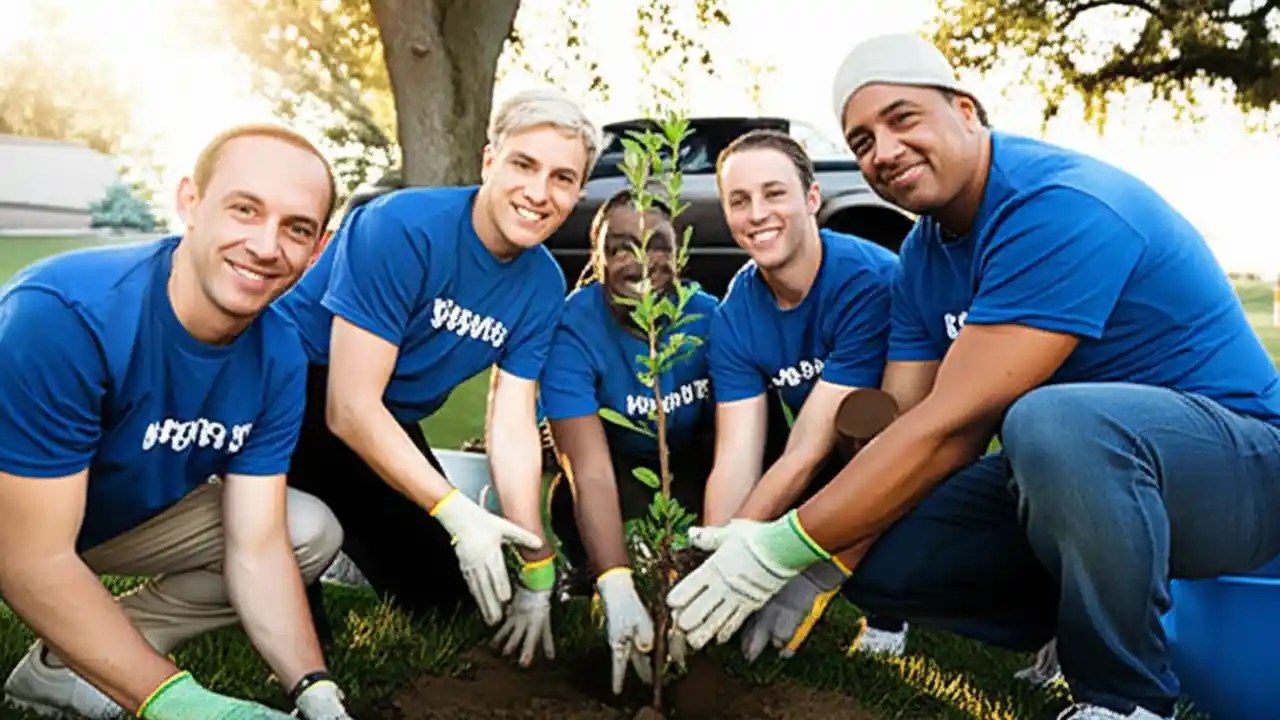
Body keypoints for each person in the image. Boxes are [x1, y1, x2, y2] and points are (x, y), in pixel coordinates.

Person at [667, 32, 1280, 720]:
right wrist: (826, 564)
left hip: (1244, 467)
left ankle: (1126, 699)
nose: (884, 152)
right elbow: (899, 421)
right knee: (882, 545)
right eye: (862, 141)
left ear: (965, 109)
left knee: (1050, 423)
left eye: (902, 120)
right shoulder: (924, 257)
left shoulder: (1057, 205)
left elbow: (954, 427)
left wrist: (783, 545)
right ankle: (1077, 619)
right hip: (1082, 481)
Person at [0, 124, 351, 719]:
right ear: (190, 203)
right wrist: (182, 704)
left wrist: (313, 690)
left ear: (317, 250)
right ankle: (119, 664)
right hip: (18, 521)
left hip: (96, 521)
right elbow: (26, 556)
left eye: (296, 228)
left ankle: (64, 667)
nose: (267, 246)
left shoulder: (281, 354)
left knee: (306, 531)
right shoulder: (64, 316)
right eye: (245, 209)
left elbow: (257, 544)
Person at [276, 88, 600, 652]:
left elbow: (513, 426)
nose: (539, 192)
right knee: (304, 635)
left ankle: (352, 545)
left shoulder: (544, 285)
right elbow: (347, 408)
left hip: (386, 415)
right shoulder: (401, 227)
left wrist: (537, 561)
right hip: (285, 390)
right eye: (524, 164)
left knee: (446, 604)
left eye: (562, 178)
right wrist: (455, 510)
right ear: (489, 161)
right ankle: (298, 539)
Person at [695, 129, 909, 662]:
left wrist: (745, 555)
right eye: (739, 201)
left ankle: (888, 607)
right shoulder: (734, 316)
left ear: (812, 199)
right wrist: (712, 558)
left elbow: (809, 449)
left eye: (775, 193)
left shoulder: (866, 282)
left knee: (866, 423)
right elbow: (736, 457)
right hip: (822, 439)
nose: (757, 213)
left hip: (909, 442)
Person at [538, 188, 718, 692]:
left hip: (691, 461)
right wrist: (617, 585)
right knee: (568, 496)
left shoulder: (707, 318)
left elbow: (735, 447)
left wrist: (701, 575)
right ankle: (587, 570)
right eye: (619, 247)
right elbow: (587, 467)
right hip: (614, 462)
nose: (641, 261)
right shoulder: (572, 327)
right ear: (597, 259)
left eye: (657, 244)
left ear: (678, 252)